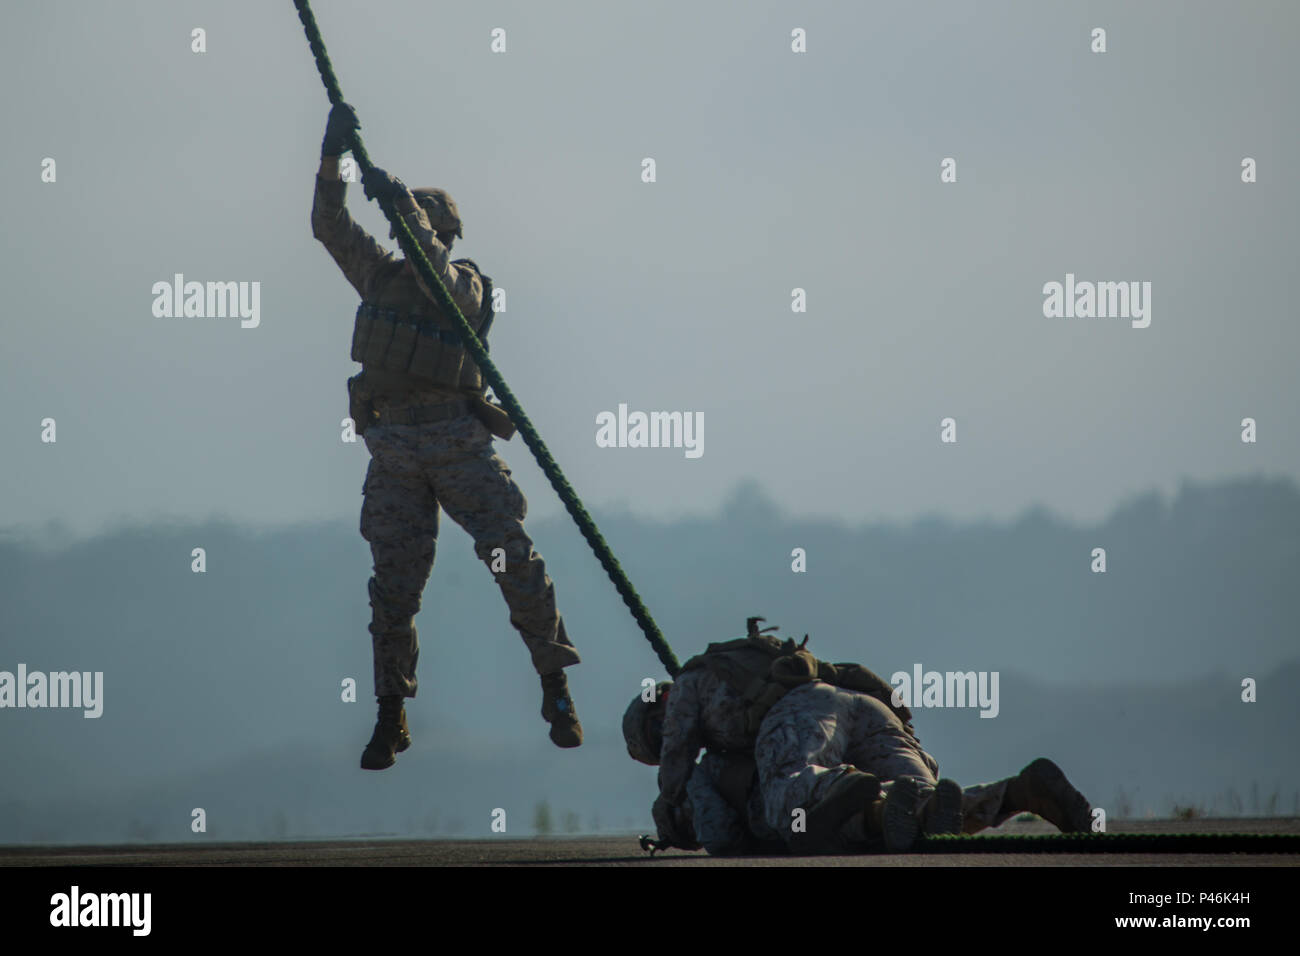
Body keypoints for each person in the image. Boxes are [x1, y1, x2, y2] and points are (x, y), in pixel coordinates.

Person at [311, 102, 581, 770]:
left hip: (459, 446)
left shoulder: (466, 285)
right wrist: (332, 162)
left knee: (511, 559)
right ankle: (391, 712)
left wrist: (404, 205)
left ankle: (555, 685)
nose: (408, 238)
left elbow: (438, 276)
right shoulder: (378, 275)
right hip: (395, 452)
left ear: (445, 233)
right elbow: (328, 225)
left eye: (423, 228)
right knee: (393, 590)